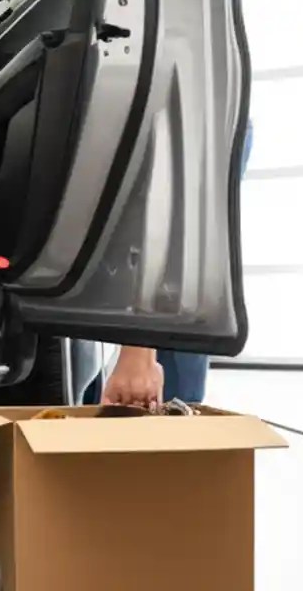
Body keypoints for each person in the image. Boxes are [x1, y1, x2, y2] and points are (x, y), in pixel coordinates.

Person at [83, 120, 254, 408]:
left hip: (193, 123)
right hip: (153, 127)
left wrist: (139, 350)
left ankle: (170, 423)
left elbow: (172, 227)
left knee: (163, 385)